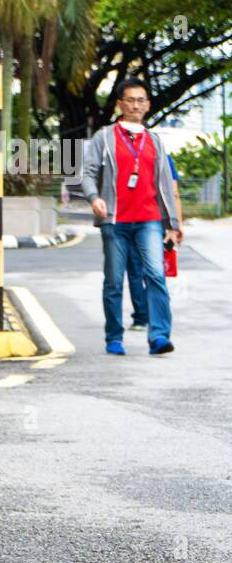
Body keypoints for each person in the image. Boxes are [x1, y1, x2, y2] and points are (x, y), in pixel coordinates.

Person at [79, 77, 181, 355]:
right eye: (130, 100)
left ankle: (159, 336)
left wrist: (173, 224)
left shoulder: (155, 141)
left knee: (156, 275)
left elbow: (166, 186)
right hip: (115, 221)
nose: (136, 105)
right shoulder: (104, 137)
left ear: (147, 105)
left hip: (149, 220)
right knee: (114, 281)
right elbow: (87, 173)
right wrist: (94, 198)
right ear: (120, 104)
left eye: (141, 100)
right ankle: (114, 337)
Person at [125, 155, 182, 331]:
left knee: (135, 270)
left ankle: (141, 317)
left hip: (129, 219)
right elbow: (174, 193)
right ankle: (159, 315)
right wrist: (176, 224)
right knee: (155, 270)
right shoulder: (164, 157)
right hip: (155, 221)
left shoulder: (126, 154)